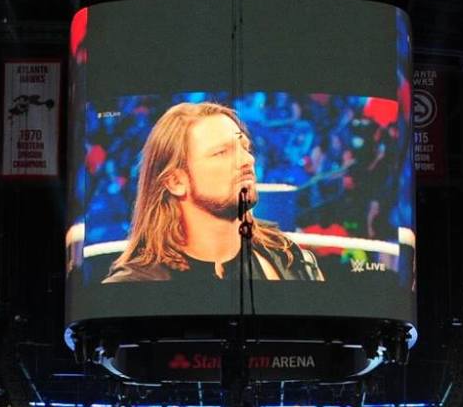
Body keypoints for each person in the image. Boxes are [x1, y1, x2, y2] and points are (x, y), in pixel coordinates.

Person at [101, 101, 326, 287]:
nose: (248, 160)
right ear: (176, 181)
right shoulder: (134, 286)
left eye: (245, 148)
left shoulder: (290, 259)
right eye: (221, 153)